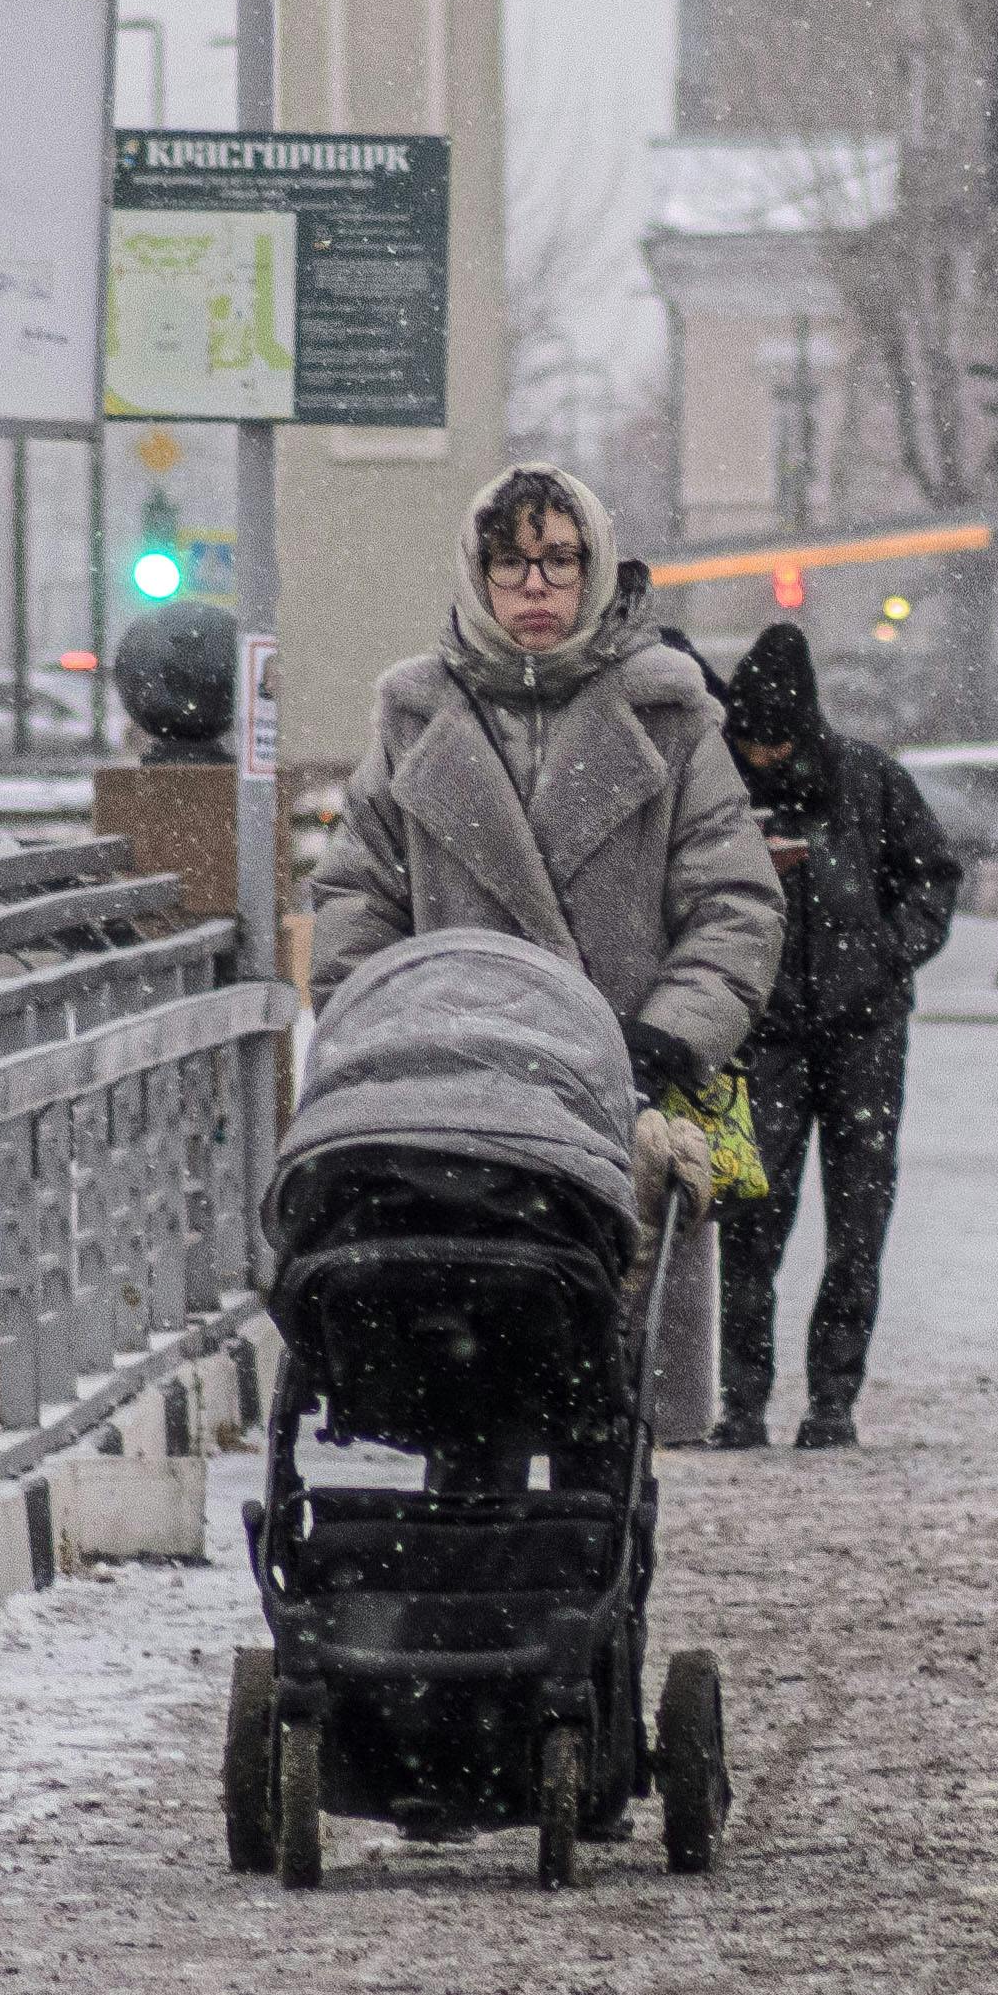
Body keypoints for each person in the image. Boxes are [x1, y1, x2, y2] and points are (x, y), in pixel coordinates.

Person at [308, 463, 785, 1435]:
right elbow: (357, 899)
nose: (534, 586)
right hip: (450, 1092)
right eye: (510, 562)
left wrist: (661, 1038)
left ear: (595, 570)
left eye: (559, 561)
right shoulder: (413, 718)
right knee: (449, 1367)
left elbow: (736, 903)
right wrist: (392, 1033)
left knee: (598, 1400)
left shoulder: (670, 715)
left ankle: (578, 1567)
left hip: (615, 1096)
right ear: (476, 574)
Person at [707, 621, 962, 1451]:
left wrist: (889, 953)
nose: (766, 755)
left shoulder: (868, 781)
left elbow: (931, 878)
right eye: (752, 740)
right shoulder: (717, 790)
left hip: (861, 1033)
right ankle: (743, 1403)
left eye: (776, 740)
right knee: (751, 1222)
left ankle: (830, 1402)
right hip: (765, 1034)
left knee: (856, 1221)